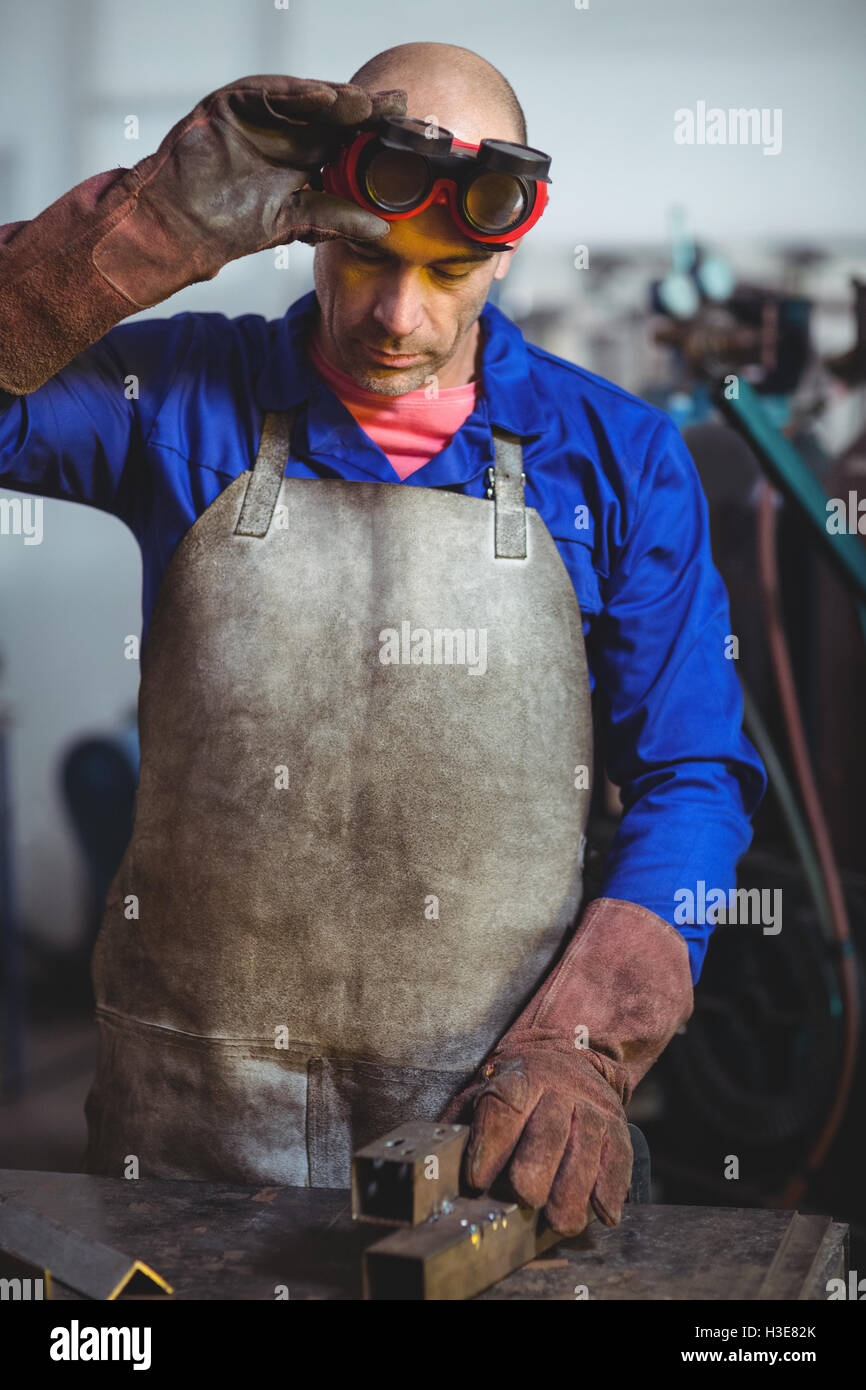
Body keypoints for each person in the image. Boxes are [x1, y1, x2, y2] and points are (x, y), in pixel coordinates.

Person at [0, 42, 765, 1237]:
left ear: (504, 249)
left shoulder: (612, 458)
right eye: (362, 254)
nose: (395, 315)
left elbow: (692, 779)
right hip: (181, 1133)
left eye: (449, 270)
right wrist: (151, 225)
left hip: (480, 1144)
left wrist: (581, 1047)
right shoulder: (185, 397)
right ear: (309, 223)